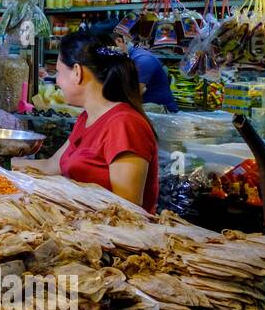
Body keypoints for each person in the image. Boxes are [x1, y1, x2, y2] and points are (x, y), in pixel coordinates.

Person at [14, 31, 159, 212]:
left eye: (58, 72)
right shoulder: (87, 117)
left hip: (112, 235)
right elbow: (51, 166)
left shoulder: (125, 123)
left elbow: (128, 208)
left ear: (77, 72)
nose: (57, 81)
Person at [99, 21, 179, 112]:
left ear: (119, 41)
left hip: (163, 114)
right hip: (142, 110)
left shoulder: (143, 60)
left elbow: (131, 95)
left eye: (107, 48)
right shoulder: (122, 58)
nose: (105, 53)